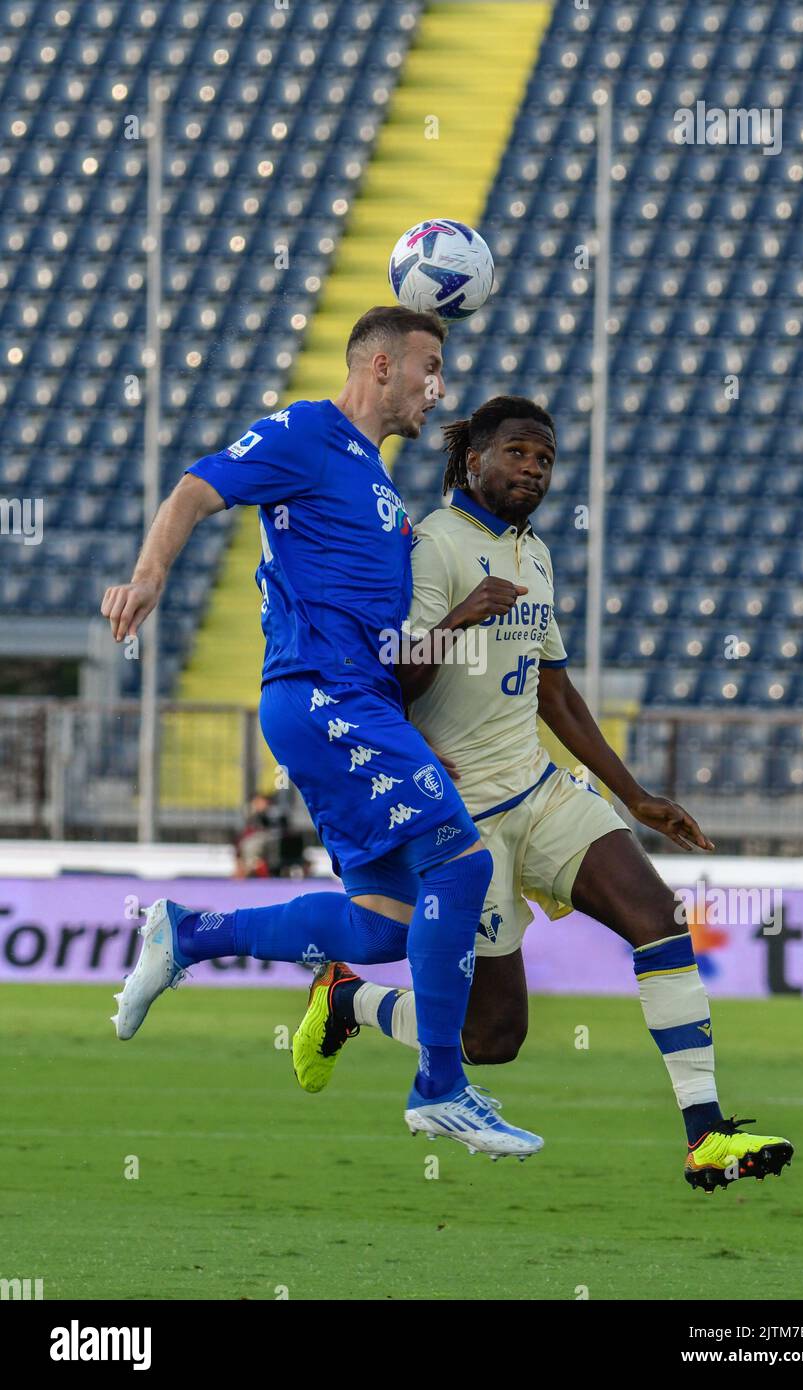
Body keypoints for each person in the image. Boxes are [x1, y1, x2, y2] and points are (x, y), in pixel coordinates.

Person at [290, 394, 794, 1192]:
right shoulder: (431, 546)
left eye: (546, 459)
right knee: (493, 1040)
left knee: (660, 924)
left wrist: (633, 795)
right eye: (520, 453)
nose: (534, 470)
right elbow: (390, 673)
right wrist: (463, 615)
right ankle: (350, 1003)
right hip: (463, 823)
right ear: (473, 459)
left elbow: (553, 692)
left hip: (541, 791)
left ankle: (706, 1135)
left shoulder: (536, 553)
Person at [101, 308, 540, 1160]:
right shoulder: (309, 431)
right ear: (380, 365)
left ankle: (186, 932)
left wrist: (415, 729)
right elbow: (197, 487)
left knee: (381, 924)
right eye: (429, 366)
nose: (437, 387)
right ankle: (440, 1087)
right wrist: (147, 576)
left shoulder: (383, 496)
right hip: (322, 696)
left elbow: (384, 640)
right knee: (463, 861)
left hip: (360, 707)